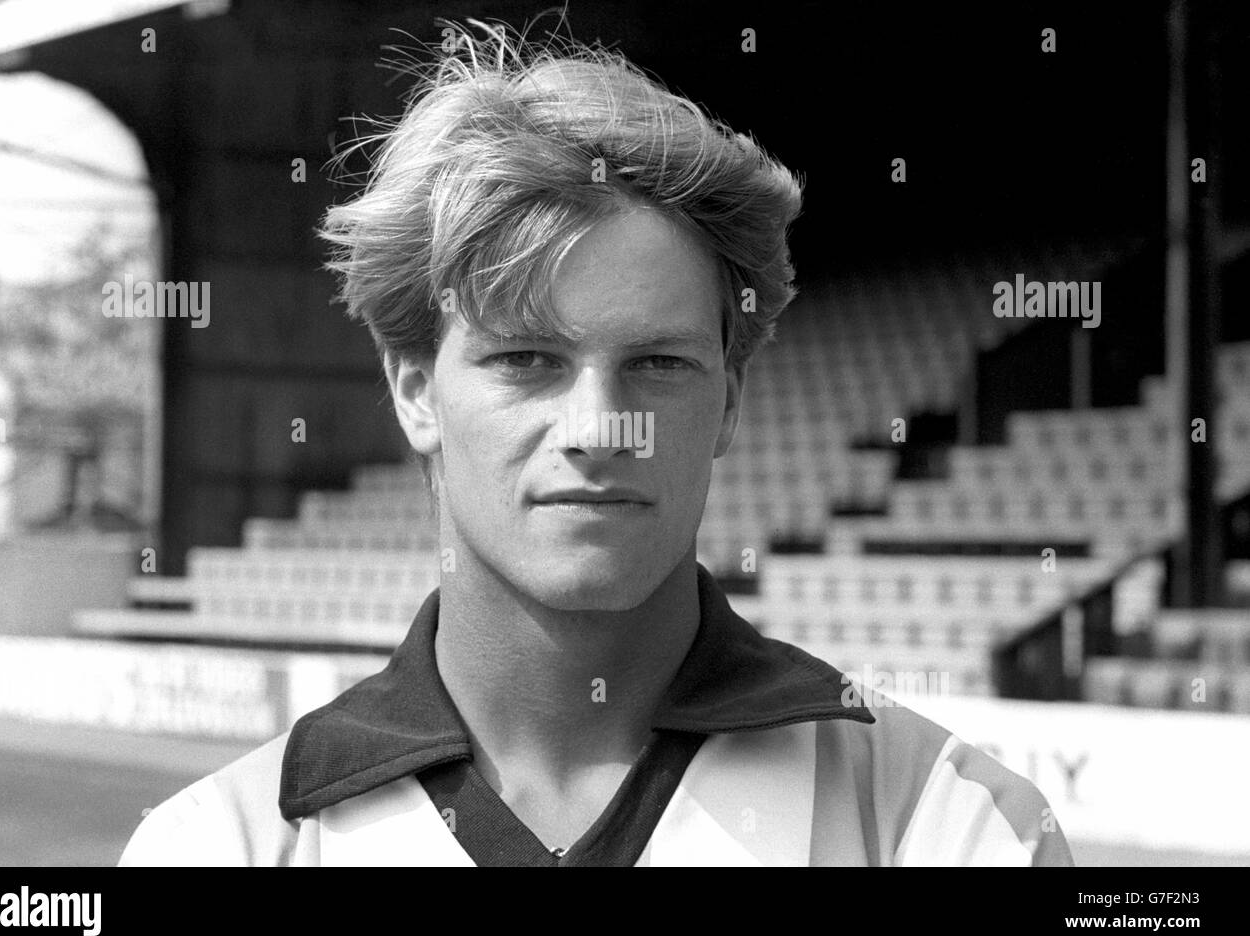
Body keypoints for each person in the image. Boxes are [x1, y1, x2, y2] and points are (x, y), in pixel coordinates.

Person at [120, 20, 1073, 866]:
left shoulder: (948, 829)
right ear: (415, 388)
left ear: (729, 400)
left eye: (659, 364)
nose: (597, 427)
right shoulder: (219, 846)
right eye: (526, 358)